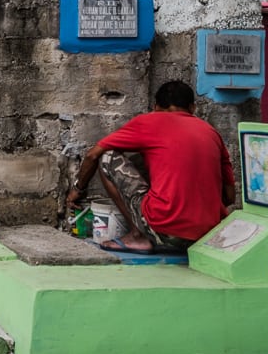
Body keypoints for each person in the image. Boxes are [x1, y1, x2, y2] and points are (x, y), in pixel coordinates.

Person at [66, 80, 236, 252]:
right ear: (192, 108)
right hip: (208, 234)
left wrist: (77, 189)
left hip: (165, 231)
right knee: (146, 158)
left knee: (107, 157)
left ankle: (137, 235)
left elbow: (92, 154)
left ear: (155, 107)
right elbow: (230, 197)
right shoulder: (212, 132)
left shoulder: (150, 121)